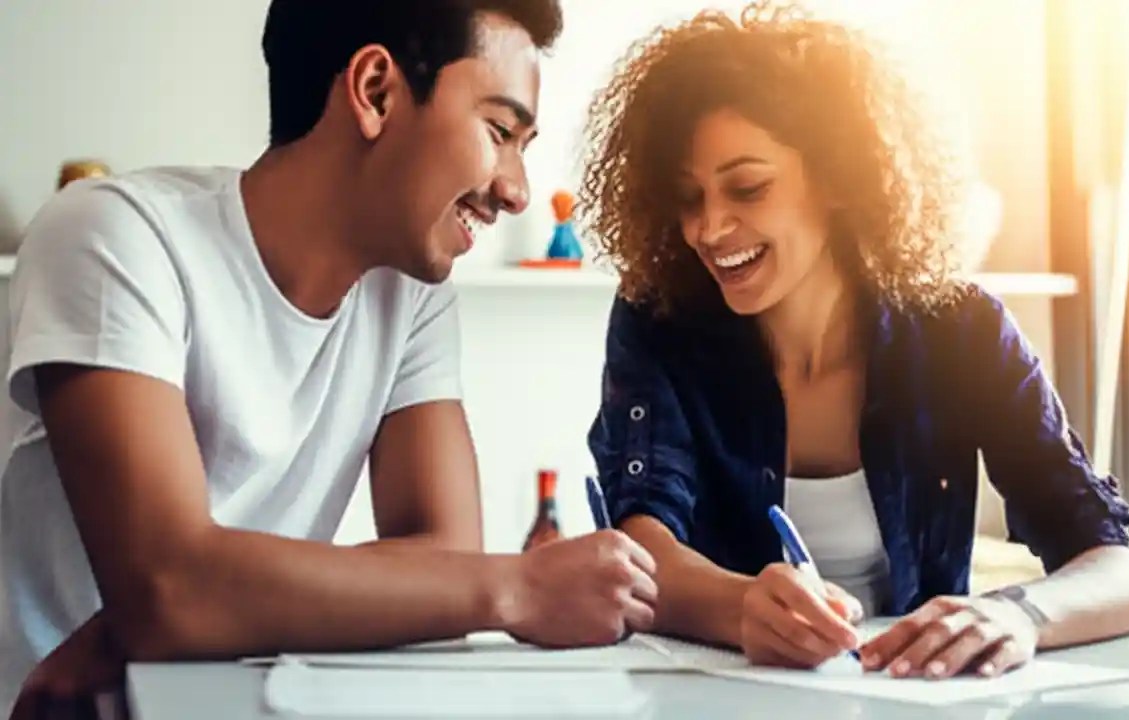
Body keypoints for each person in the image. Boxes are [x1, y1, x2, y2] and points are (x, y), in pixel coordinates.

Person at [0, 1, 661, 716]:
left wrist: (191, 600)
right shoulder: (114, 237)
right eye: (499, 131)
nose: (515, 188)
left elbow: (444, 558)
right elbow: (170, 590)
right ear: (375, 91)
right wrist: (520, 587)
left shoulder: (411, 298)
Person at [581, 1, 1129, 679]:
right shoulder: (660, 319)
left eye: (748, 187)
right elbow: (644, 544)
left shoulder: (961, 332)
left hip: (912, 699)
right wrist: (740, 608)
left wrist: (1016, 614)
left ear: (840, 179)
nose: (708, 228)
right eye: (688, 197)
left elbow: (1116, 571)